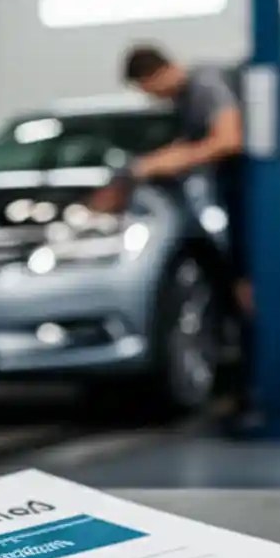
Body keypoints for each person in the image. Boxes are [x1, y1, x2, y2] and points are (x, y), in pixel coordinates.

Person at [97, 44, 254, 399]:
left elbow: (229, 139)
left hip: (251, 193)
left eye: (147, 89)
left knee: (249, 285)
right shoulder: (186, 99)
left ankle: (259, 380)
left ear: (156, 74)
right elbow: (190, 142)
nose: (152, 97)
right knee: (241, 283)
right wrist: (145, 165)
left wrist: (166, 164)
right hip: (229, 195)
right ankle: (250, 379)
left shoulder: (205, 84)